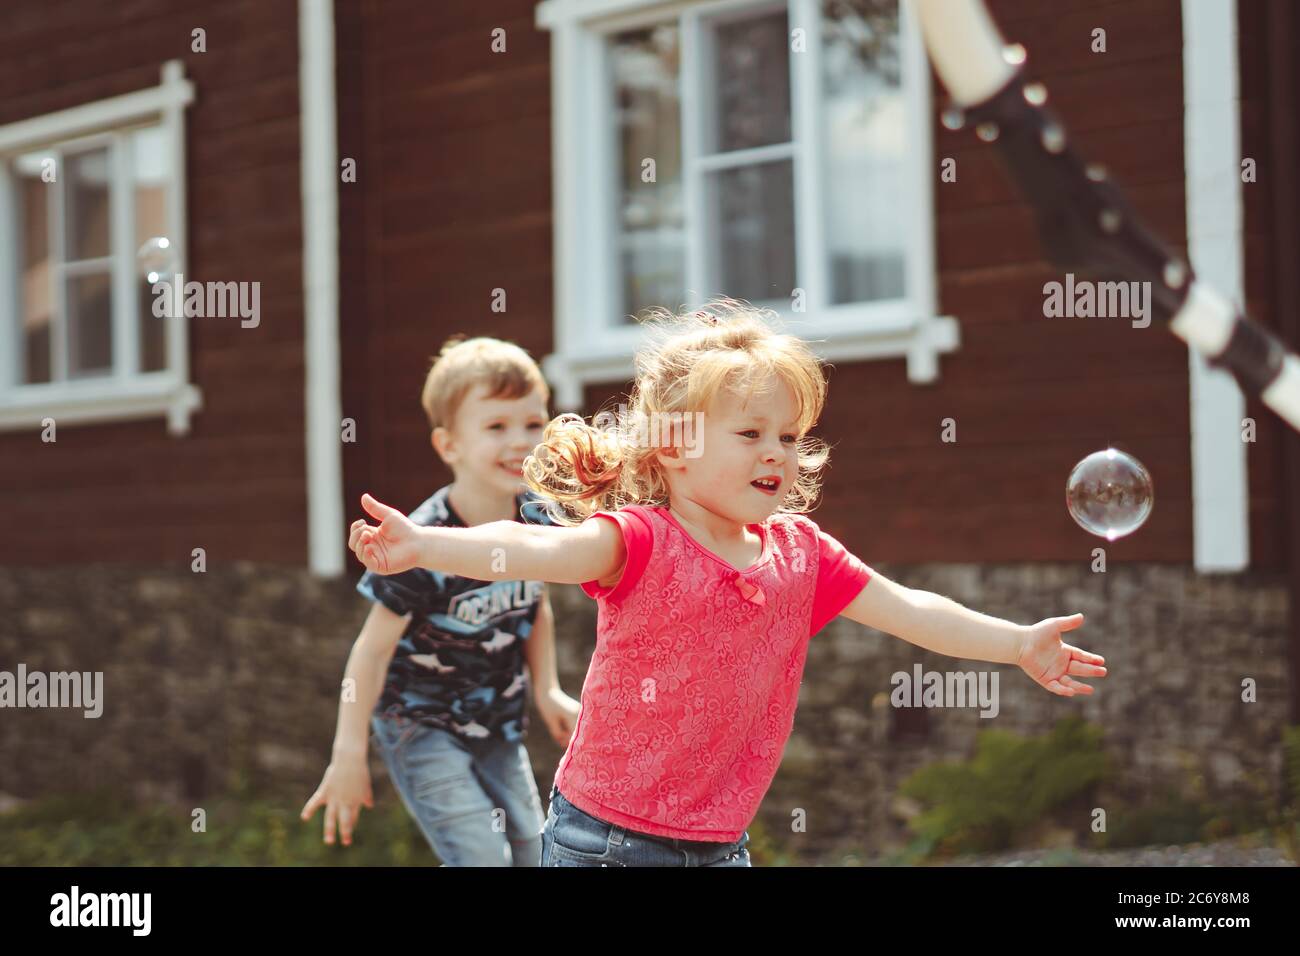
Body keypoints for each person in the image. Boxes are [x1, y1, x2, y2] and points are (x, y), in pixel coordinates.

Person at [344, 302, 1107, 867]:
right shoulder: (642, 542)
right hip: (605, 839)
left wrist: (1015, 644)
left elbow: (910, 609)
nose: (776, 452)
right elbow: (528, 548)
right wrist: (423, 542)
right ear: (673, 448)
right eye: (749, 434)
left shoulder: (801, 554)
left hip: (719, 845)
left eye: (788, 435)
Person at [302, 336, 581, 866]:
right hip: (421, 723)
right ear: (449, 444)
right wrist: (347, 753)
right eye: (496, 427)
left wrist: (546, 689)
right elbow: (370, 652)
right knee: (482, 855)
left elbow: (534, 605)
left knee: (535, 850)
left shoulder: (538, 518)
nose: (519, 441)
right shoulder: (422, 540)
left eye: (531, 422)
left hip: (496, 721)